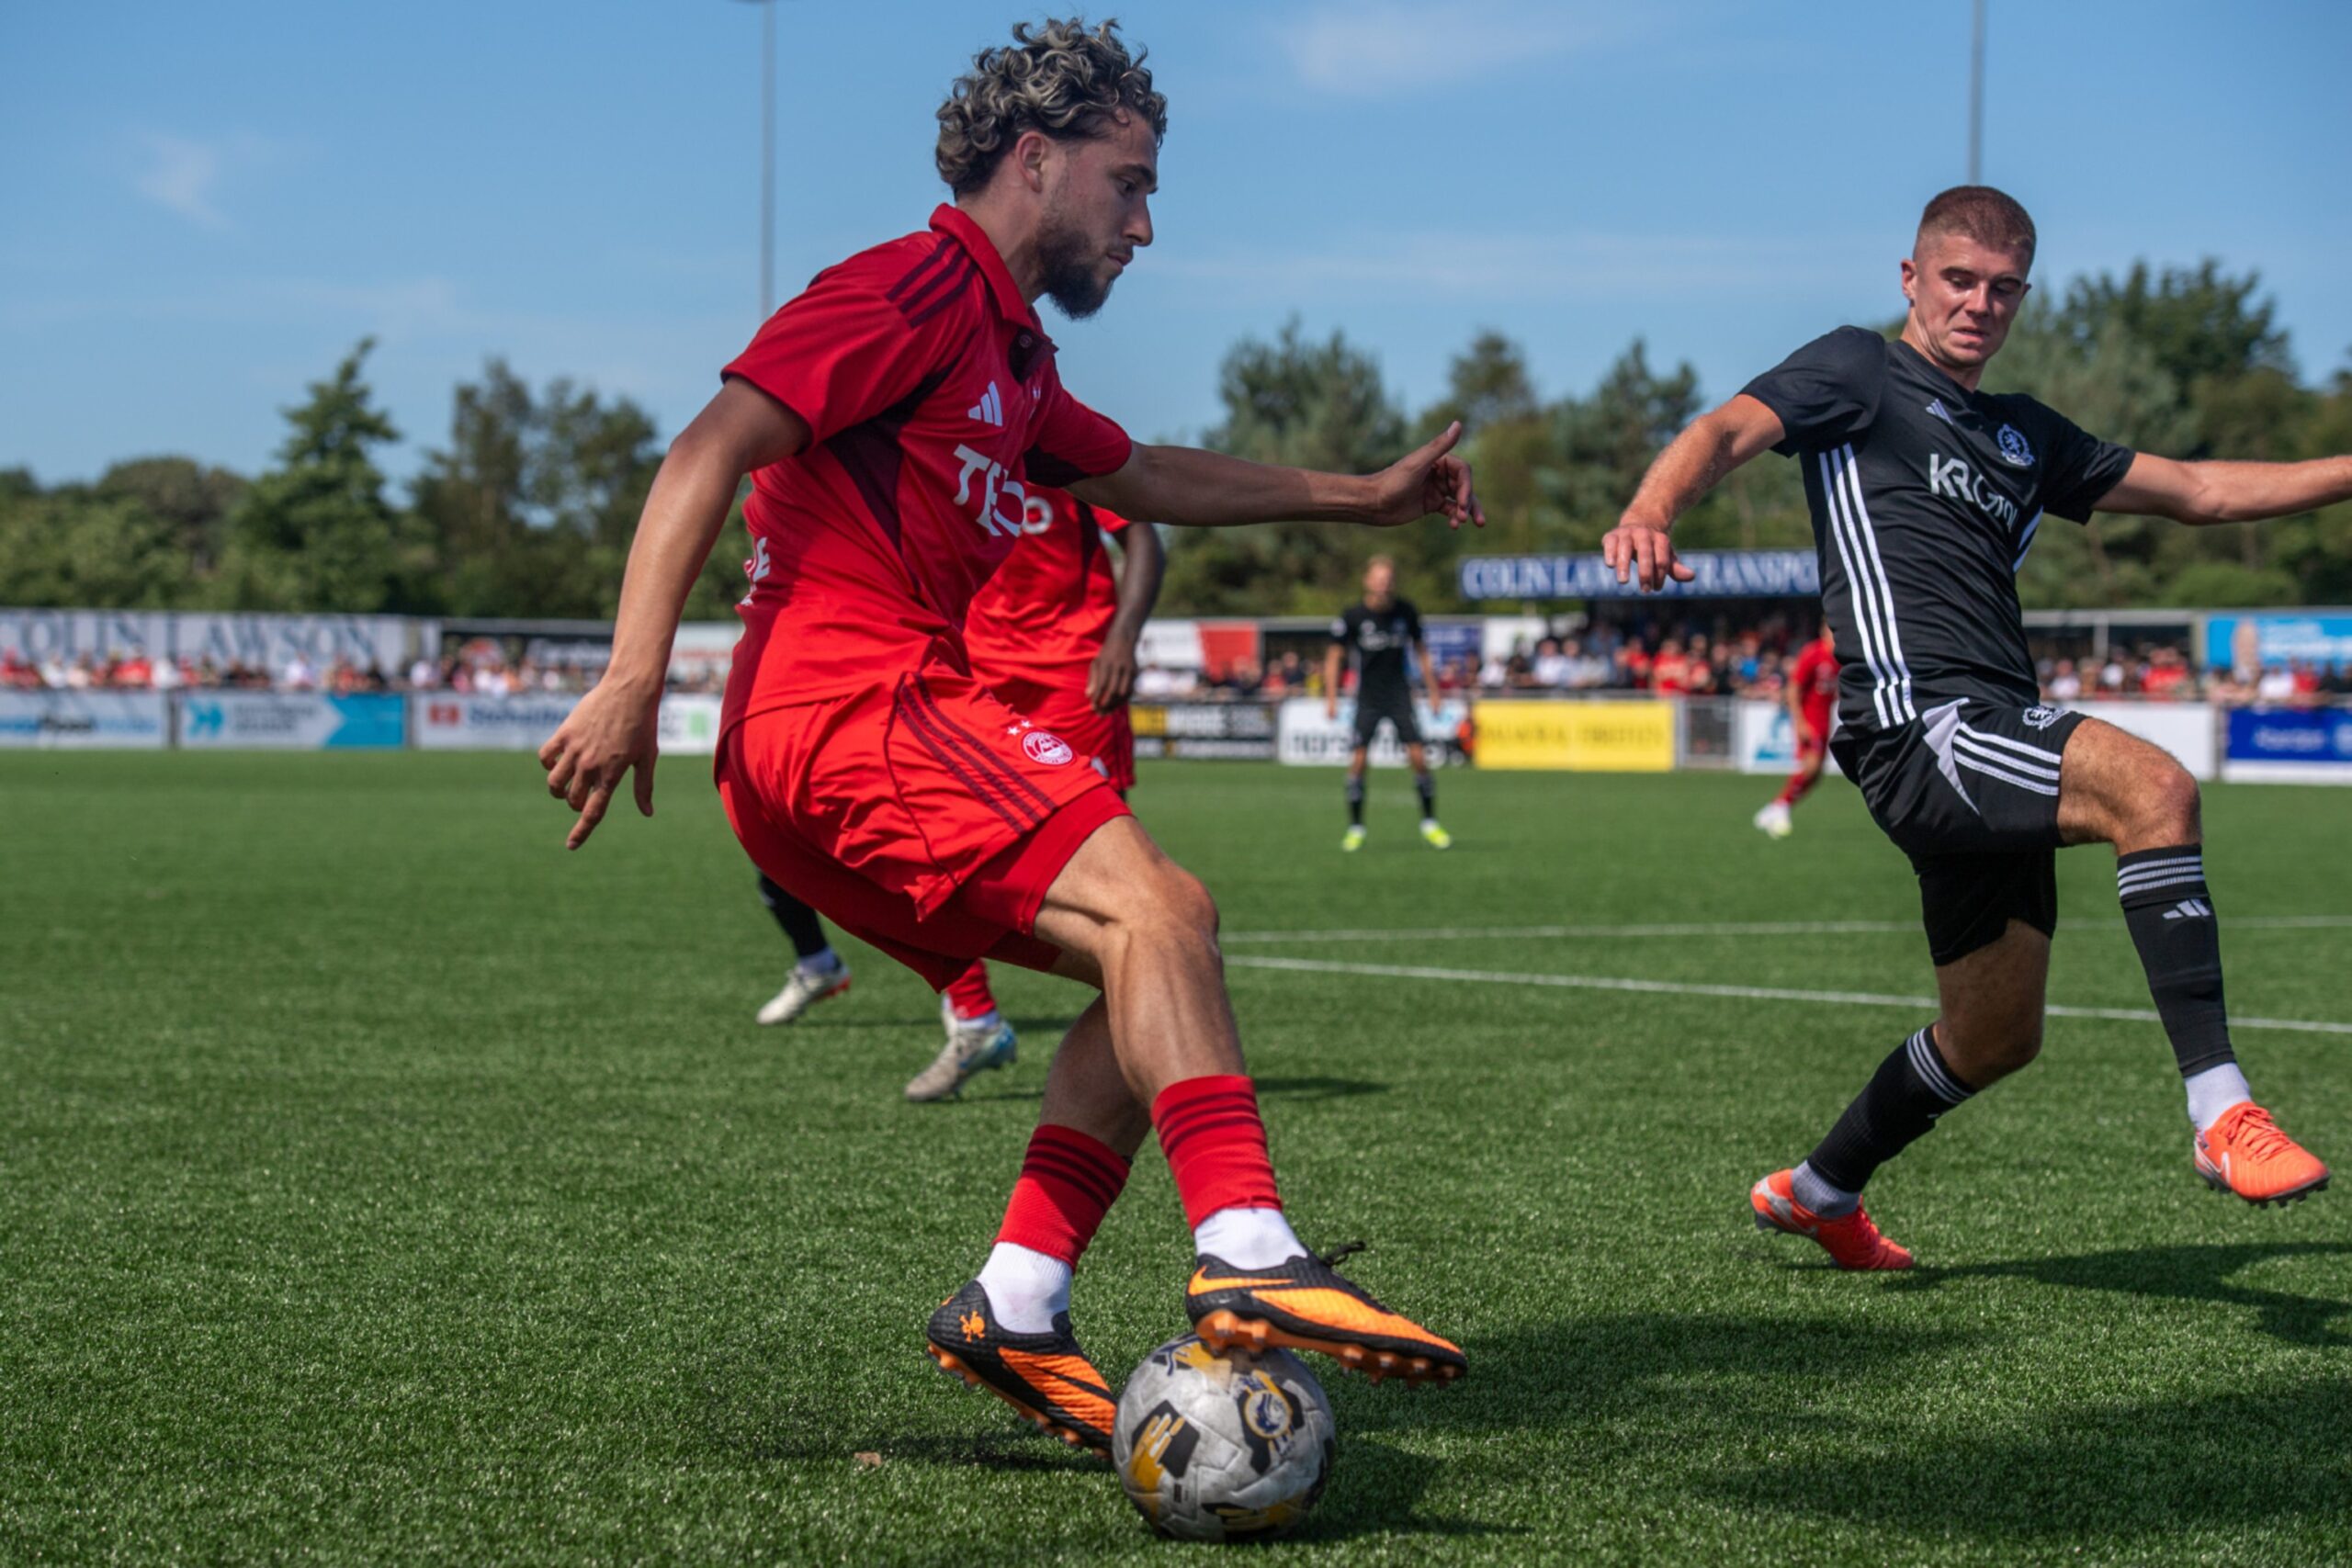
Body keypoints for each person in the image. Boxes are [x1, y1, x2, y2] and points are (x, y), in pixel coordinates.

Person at [536, 18, 1477, 1453]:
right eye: (1130, 182)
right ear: (1035, 160)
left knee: (1157, 947)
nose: (1146, 224)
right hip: (848, 711)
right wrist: (628, 675)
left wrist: (1371, 496)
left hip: (840, 741)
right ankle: (1245, 1239)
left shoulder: (1009, 351)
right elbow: (705, 448)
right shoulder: (909, 285)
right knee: (1156, 907)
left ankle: (1015, 1302)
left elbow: (1148, 470)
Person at [1604, 186, 2345, 1270]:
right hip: (1922, 723)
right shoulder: (1858, 370)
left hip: (1991, 725)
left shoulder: (2023, 434)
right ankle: (2220, 1109)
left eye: (2002, 290)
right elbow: (1725, 428)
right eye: (1958, 281)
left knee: (1995, 1038)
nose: (1978, 305)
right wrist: (1652, 507)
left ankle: (1818, 1190)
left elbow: (2198, 491)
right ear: (1912, 280)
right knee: (2154, 787)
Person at [898, 485, 1169, 1103]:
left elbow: (1143, 535)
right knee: (930, 848)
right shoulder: (950, 439)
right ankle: (973, 1019)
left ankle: (1153, 1033)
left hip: (1076, 675)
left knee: (1116, 873)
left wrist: (1122, 637)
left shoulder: (1057, 433)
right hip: (975, 677)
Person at [1324, 555, 1451, 852]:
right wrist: (1330, 698)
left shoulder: (1406, 612)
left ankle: (1430, 823)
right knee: (1358, 761)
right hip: (1367, 697)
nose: (1384, 584)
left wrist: (1434, 691)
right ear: (1367, 581)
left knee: (1419, 757)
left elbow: (1422, 653)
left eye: (1388, 578)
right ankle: (1356, 827)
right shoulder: (1352, 616)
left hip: (1399, 695)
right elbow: (1334, 658)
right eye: (1378, 578)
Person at [1754, 625, 1838, 838]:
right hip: (1810, 719)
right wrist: (1799, 722)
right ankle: (1778, 807)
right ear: (1823, 630)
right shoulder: (1813, 653)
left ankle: (1778, 807)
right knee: (1811, 766)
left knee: (1816, 773)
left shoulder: (1839, 656)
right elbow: (1794, 687)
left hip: (1824, 720)